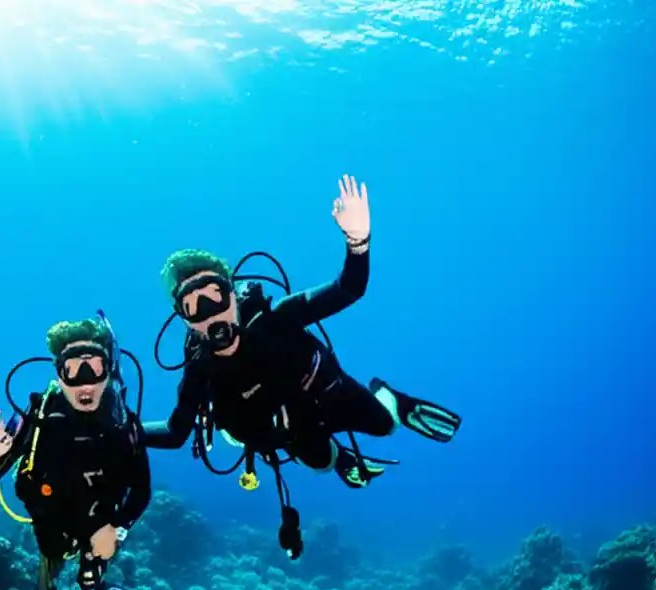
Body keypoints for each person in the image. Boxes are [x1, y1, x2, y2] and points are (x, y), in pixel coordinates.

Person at [143, 175, 461, 558]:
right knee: (322, 463)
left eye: (215, 296)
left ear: (233, 292)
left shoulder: (277, 318)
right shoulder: (199, 370)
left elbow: (348, 289)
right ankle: (339, 457)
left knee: (385, 426)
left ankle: (392, 398)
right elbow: (177, 432)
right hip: (290, 435)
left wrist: (357, 241)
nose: (210, 315)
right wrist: (121, 429)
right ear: (184, 319)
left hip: (329, 395)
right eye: (194, 306)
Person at [0, 314, 151, 590]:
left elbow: (141, 491)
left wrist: (118, 527)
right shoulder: (34, 423)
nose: (84, 382)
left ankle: (94, 582)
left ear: (109, 370)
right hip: (52, 527)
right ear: (58, 373)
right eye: (72, 369)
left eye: (93, 367)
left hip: (102, 525)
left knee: (95, 562)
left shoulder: (123, 424)